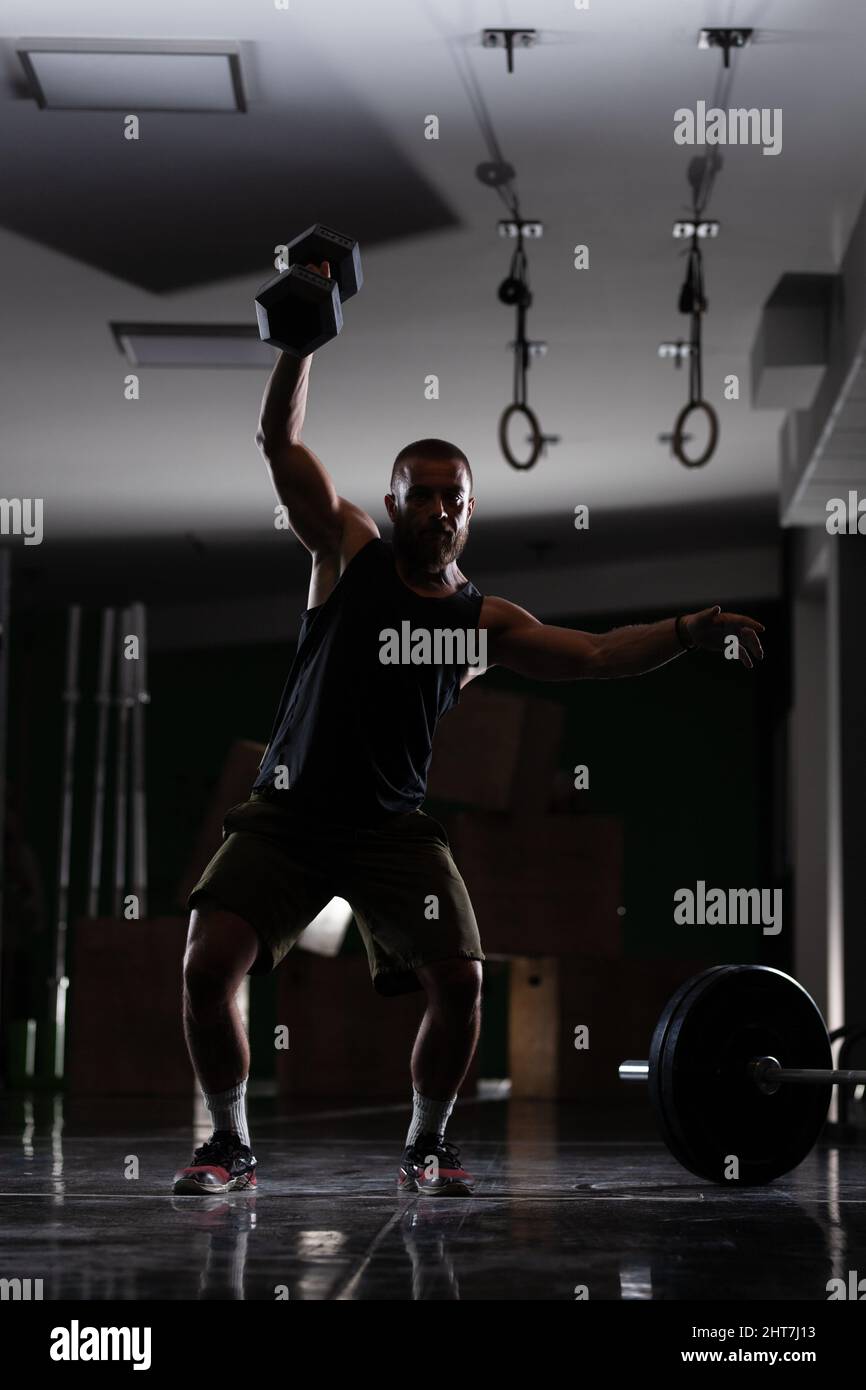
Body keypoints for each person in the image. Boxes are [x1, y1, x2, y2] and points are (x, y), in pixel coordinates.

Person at [174, 262, 765, 1198]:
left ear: (469, 512)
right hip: (285, 817)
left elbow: (601, 657)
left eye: (456, 497)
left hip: (388, 831)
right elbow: (276, 441)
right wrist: (300, 344)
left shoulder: (483, 623)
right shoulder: (346, 553)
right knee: (209, 967)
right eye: (423, 494)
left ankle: (426, 1145)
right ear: (396, 500)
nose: (440, 510)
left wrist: (692, 630)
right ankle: (230, 1145)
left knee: (464, 983)